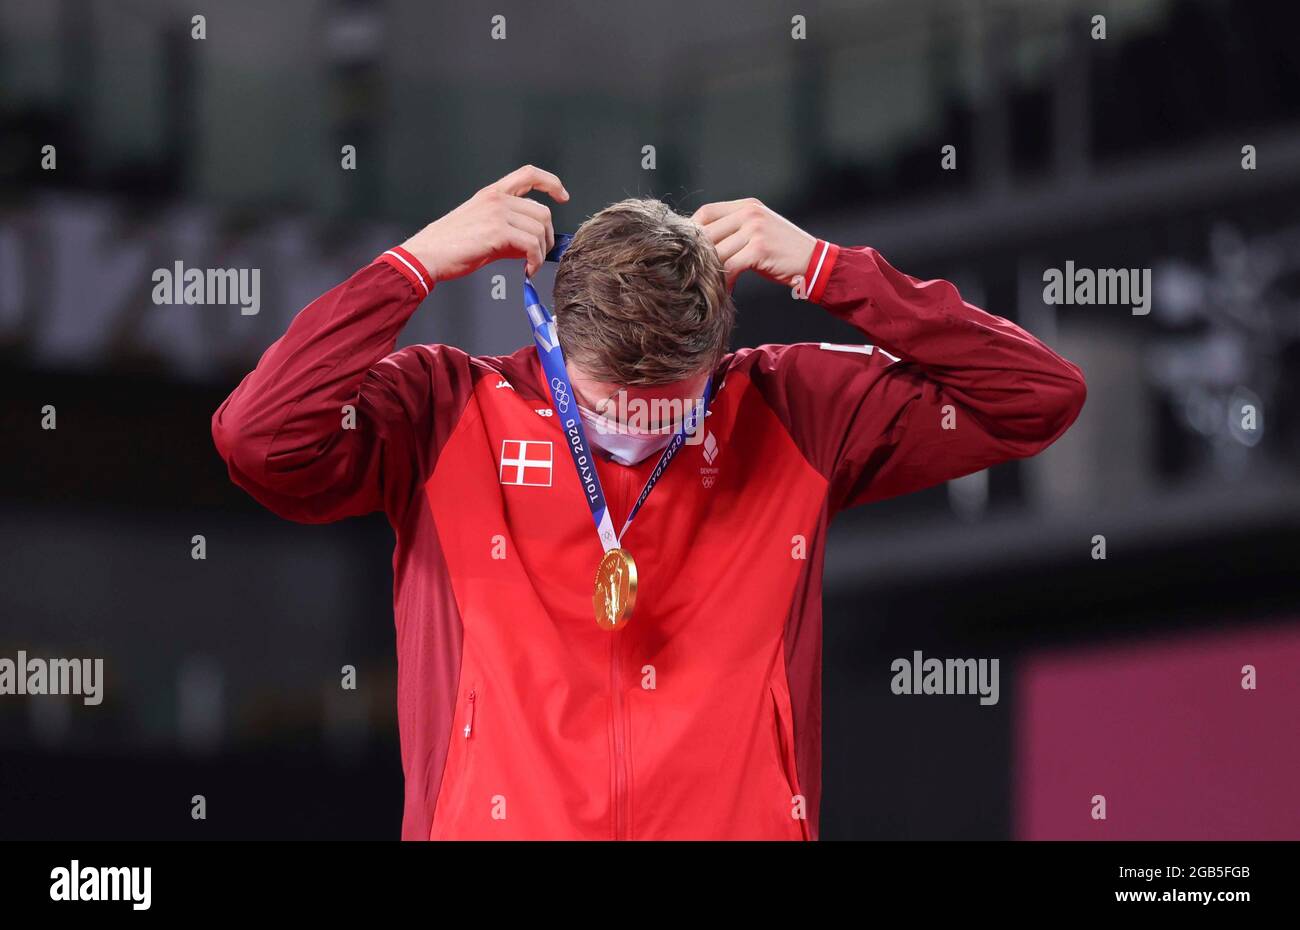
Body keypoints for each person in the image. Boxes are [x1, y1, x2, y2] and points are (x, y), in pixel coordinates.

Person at [212, 164, 1086, 840]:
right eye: (602, 403)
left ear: (723, 347)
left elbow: (1036, 395)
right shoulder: (445, 412)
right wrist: (409, 267)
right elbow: (259, 439)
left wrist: (832, 268)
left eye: (671, 400)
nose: (634, 425)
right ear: (552, 339)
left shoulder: (794, 409)